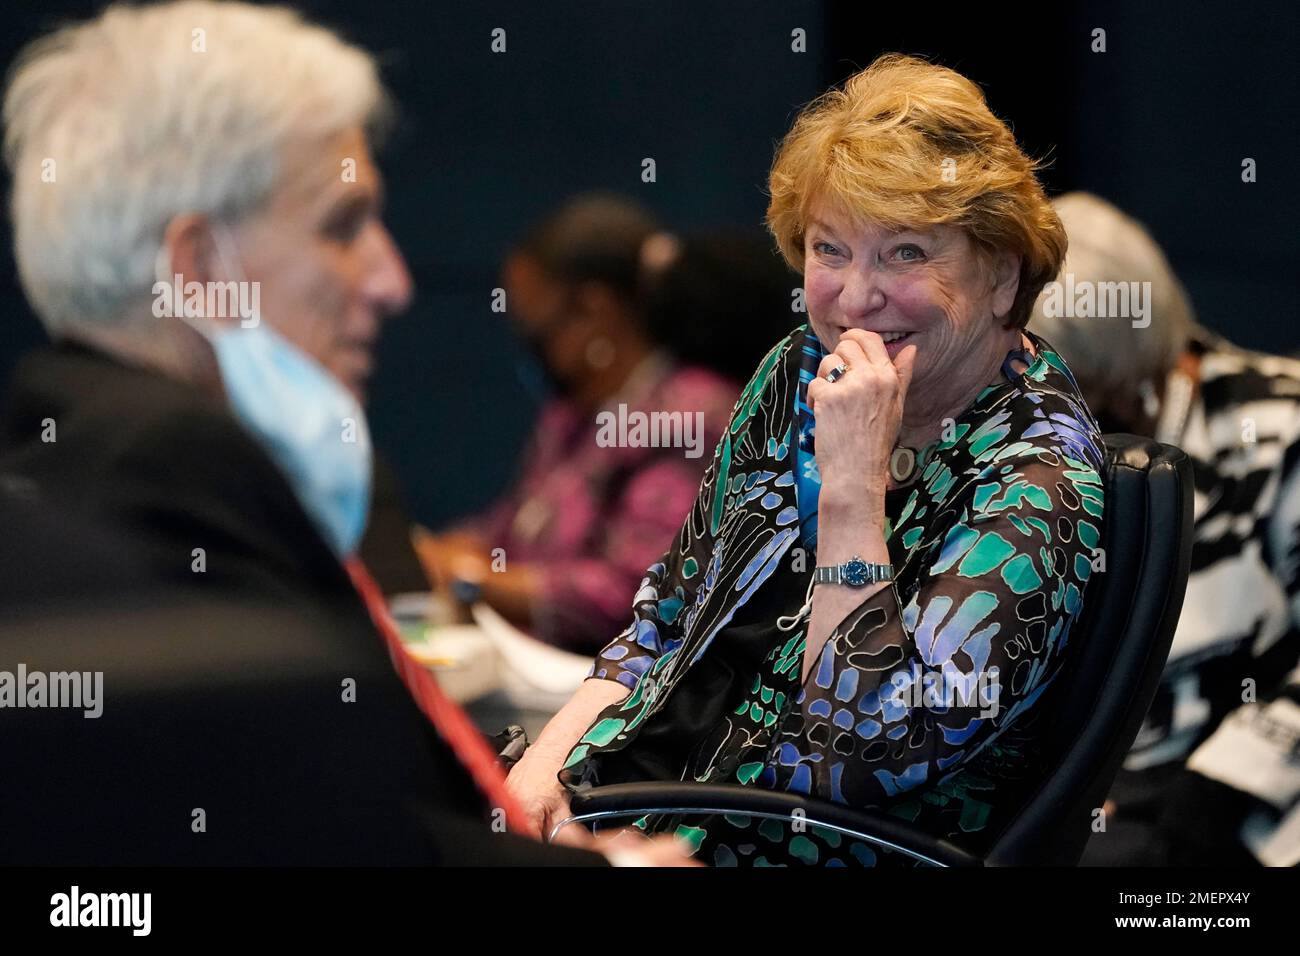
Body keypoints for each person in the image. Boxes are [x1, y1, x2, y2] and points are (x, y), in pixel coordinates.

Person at [0, 0, 687, 867]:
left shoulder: (88, 458)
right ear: (201, 269)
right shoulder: (169, 485)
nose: (393, 281)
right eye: (343, 225)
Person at [508, 54, 1107, 865]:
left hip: (812, 843)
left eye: (904, 253)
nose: (855, 299)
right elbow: (666, 616)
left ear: (1001, 275)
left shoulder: (1040, 477)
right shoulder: (796, 370)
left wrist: (853, 488)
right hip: (645, 803)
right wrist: (544, 768)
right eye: (831, 250)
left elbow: (857, 752)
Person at [1031, 193, 1300, 867]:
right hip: (1089, 800)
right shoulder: (1030, 449)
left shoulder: (1280, 431)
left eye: (1062, 390)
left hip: (1238, 808)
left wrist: (1215, 789)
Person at [415, 195, 738, 653]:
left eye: (538, 332)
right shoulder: (572, 412)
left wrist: (472, 581)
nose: (529, 349)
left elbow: (642, 591)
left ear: (596, 310)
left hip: (625, 696)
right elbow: (511, 528)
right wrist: (430, 554)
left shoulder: (691, 415)